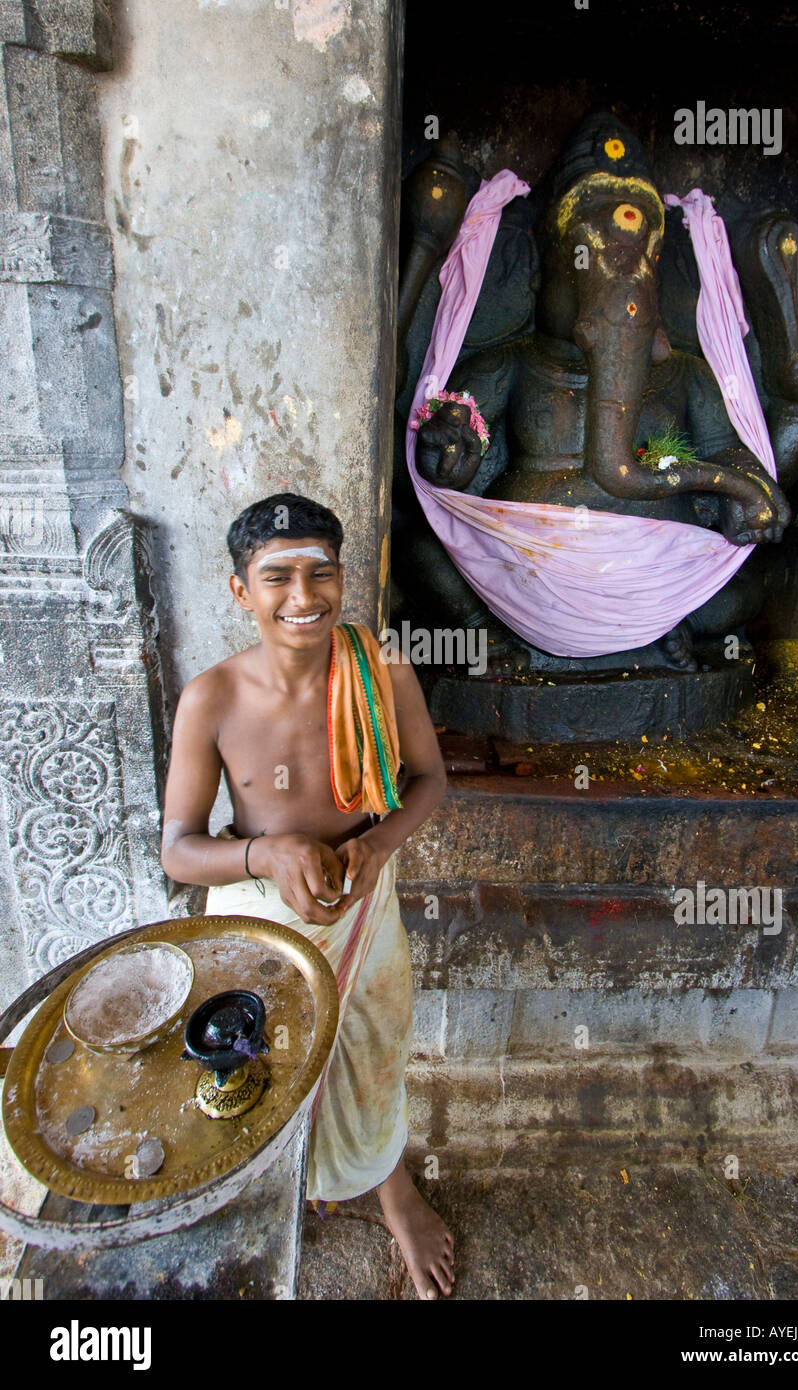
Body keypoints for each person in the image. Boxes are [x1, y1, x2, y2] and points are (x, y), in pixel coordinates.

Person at [160, 491, 453, 1300]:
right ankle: (264, 1189)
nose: (303, 596)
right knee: (261, 1065)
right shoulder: (211, 699)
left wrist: (375, 843)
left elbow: (429, 780)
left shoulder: (380, 670)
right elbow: (180, 851)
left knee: (372, 1052)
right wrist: (267, 852)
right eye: (276, 576)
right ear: (240, 591)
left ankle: (389, 1186)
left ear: (341, 577)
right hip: (262, 914)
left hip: (363, 898)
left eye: (321, 573)